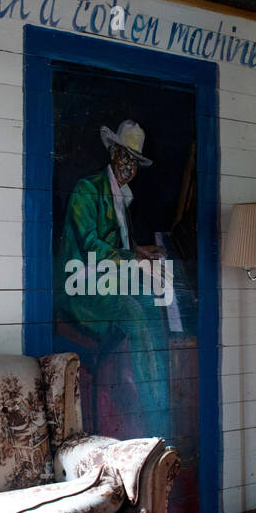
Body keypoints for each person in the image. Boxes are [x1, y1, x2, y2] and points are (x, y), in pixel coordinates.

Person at [55, 120, 171, 439]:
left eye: (135, 161)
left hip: (108, 281)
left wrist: (139, 249)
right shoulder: (86, 190)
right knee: (134, 315)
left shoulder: (122, 197)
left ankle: (157, 412)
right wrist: (133, 257)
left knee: (152, 306)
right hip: (80, 287)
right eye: (125, 157)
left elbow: (116, 244)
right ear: (113, 152)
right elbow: (92, 244)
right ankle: (153, 418)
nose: (129, 166)